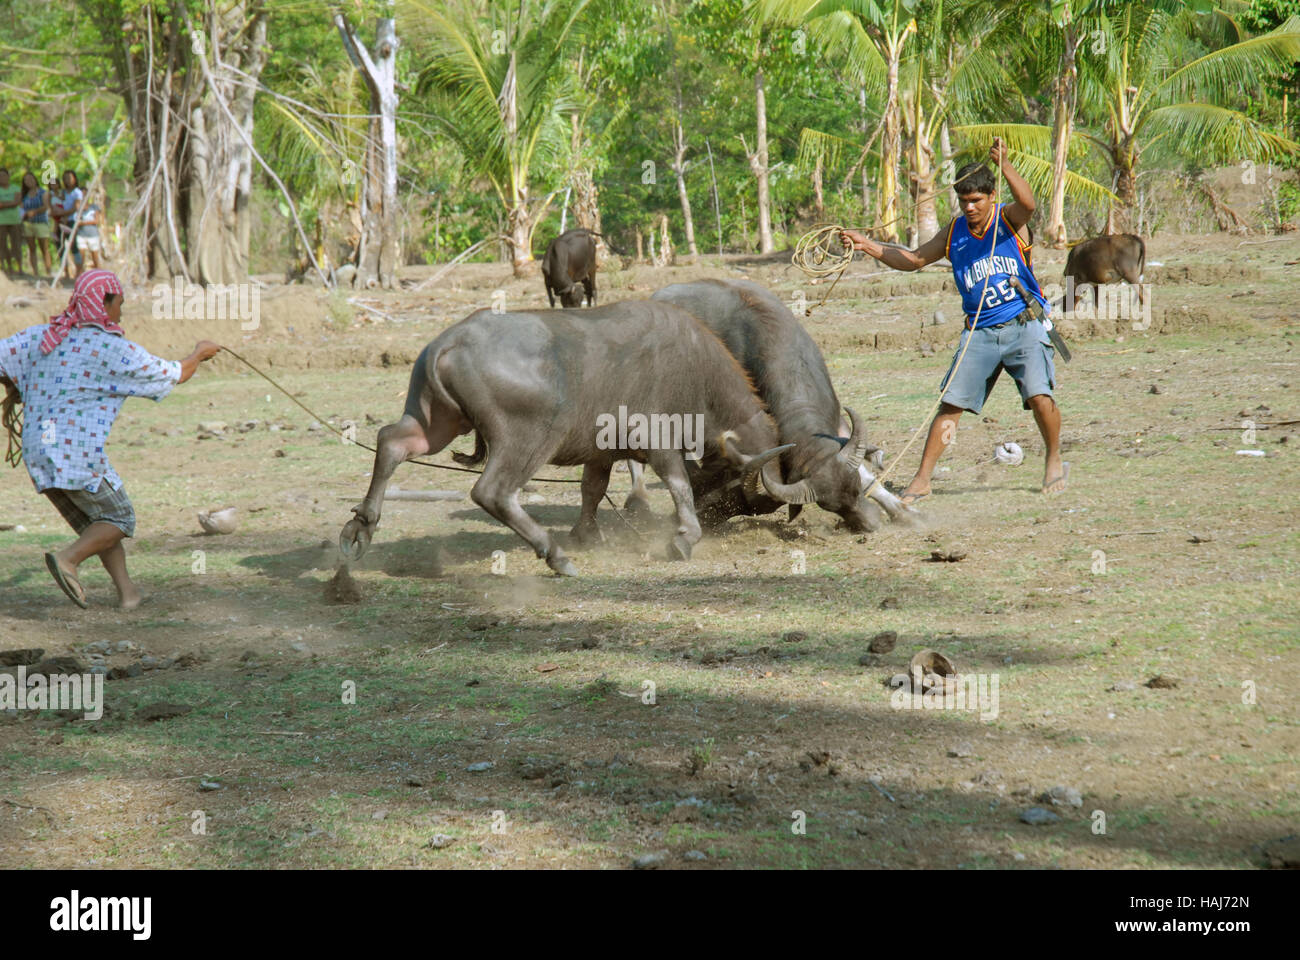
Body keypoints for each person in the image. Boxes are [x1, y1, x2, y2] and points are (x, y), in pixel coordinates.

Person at [839, 138, 1067, 502]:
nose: (970, 207)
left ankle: (1054, 457)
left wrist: (1006, 164)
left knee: (1040, 397)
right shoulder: (955, 233)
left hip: (1022, 323)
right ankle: (923, 479)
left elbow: (1029, 203)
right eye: (964, 201)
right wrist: (869, 245)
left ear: (992, 196)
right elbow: (913, 260)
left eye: (977, 200)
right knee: (951, 407)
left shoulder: (1009, 220)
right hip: (978, 332)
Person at [0, 270, 222, 609]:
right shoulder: (112, 349)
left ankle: (128, 595)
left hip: (38, 450)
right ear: (103, 304)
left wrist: (16, 387)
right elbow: (176, 373)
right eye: (119, 303)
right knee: (119, 519)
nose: (122, 311)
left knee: (97, 523)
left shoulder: (42, 336)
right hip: (73, 450)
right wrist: (199, 353)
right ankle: (68, 559)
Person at [20, 171, 53, 278]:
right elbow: (20, 208)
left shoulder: (43, 192)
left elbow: (46, 206)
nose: (29, 182)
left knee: (44, 248)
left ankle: (48, 271)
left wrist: (34, 212)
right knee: (32, 248)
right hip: (28, 224)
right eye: (26, 180)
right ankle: (35, 272)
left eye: (31, 179)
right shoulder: (24, 195)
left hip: (41, 222)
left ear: (35, 180)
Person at [72, 188, 104, 274]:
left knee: (95, 257)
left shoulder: (94, 207)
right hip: (81, 235)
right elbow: (76, 221)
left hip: (93, 235)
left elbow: (96, 221)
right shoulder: (77, 208)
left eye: (85, 194)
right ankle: (79, 277)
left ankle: (100, 276)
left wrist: (82, 223)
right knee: (80, 258)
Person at [0, 168, 23, 276]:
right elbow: (13, 202)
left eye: (4, 175)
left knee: (16, 245)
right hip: (1, 222)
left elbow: (18, 201)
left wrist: (4, 204)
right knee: (2, 245)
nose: (2, 178)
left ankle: (20, 268)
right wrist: (12, 202)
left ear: (8, 176)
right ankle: (7, 268)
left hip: (15, 221)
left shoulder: (16, 188)